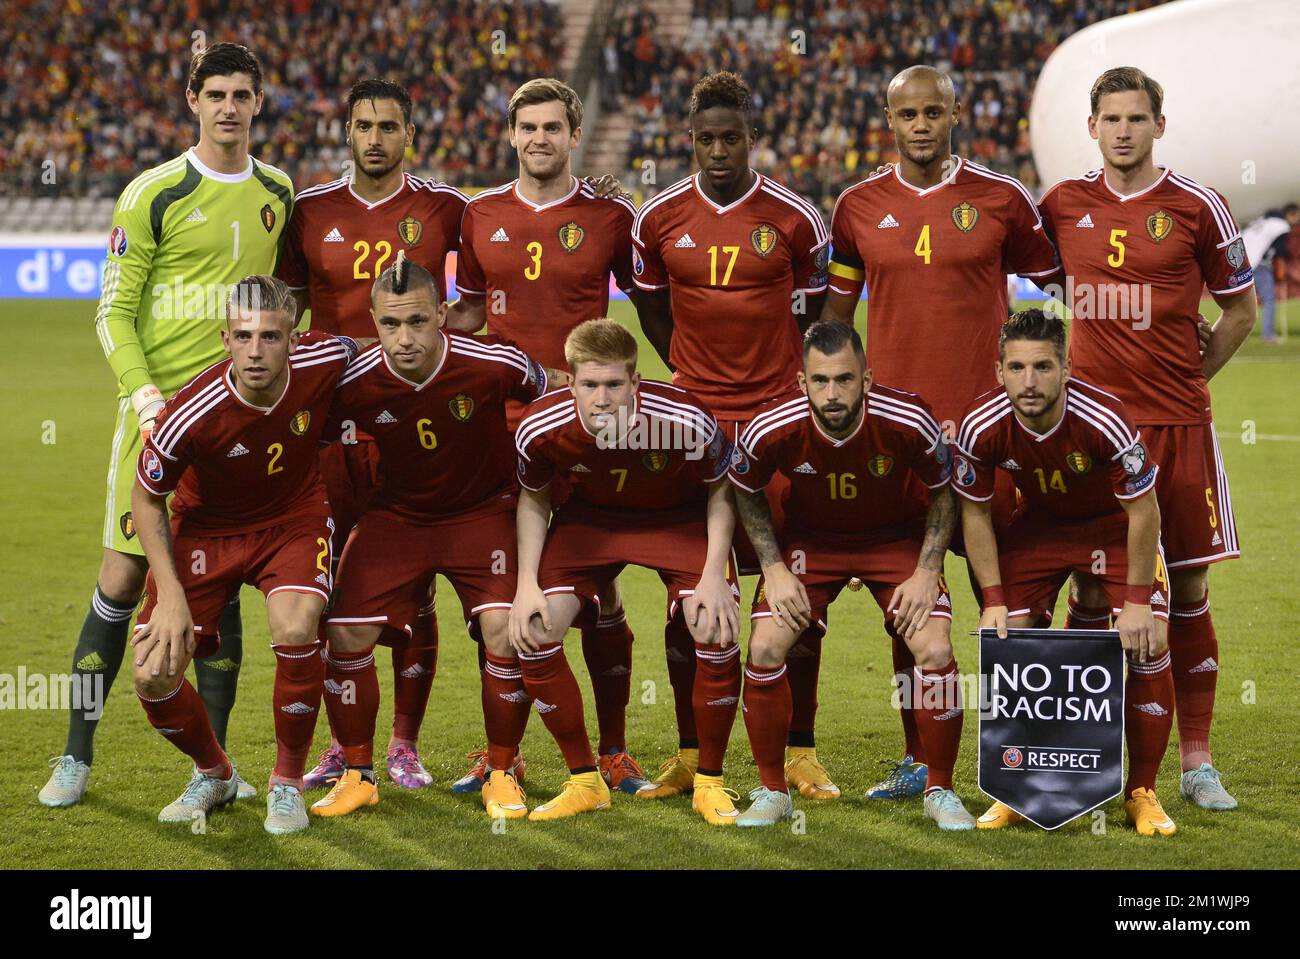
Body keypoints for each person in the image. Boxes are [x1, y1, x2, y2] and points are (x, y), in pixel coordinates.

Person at [42, 42, 294, 808]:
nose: (227, 106)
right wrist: (145, 395)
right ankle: (74, 756)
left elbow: (287, 302)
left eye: (240, 94)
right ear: (192, 99)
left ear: (259, 102)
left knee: (221, 589)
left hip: (234, 428)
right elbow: (112, 308)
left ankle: (210, 772)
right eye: (213, 92)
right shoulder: (150, 192)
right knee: (120, 580)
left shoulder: (279, 192)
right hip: (155, 422)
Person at [819, 65, 1059, 801]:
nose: (920, 124)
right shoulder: (858, 207)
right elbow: (832, 323)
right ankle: (919, 757)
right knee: (909, 605)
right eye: (906, 113)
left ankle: (1029, 757)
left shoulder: (1002, 199)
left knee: (1017, 597)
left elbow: (1053, 294)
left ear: (956, 112)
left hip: (991, 432)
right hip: (899, 438)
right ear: (888, 119)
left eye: (933, 112)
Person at [1038, 67, 1257, 811]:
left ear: (1159, 124)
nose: (1124, 130)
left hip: (1177, 432)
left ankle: (1195, 762)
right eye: (1111, 118)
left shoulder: (1198, 206)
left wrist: (1195, 379)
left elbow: (1239, 311)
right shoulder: (1062, 205)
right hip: (1093, 437)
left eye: (1137, 118)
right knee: (1094, 588)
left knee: (1188, 591)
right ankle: (1083, 760)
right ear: (1092, 126)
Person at [631, 71, 840, 801]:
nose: (718, 150)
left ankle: (803, 751)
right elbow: (653, 312)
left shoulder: (794, 218)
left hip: (781, 423)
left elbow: (816, 320)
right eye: (705, 138)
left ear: (753, 138)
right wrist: (688, 373)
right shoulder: (657, 218)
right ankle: (691, 754)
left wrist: (784, 385)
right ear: (690, 140)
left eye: (731, 137)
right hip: (696, 427)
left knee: (793, 598)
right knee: (689, 600)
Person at [448, 77, 652, 795]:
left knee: (601, 592)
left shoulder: (608, 215)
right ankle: (500, 748)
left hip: (586, 432)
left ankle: (616, 748)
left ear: (574, 134)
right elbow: (469, 315)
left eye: (553, 127)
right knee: (500, 598)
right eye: (527, 127)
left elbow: (654, 299)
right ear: (510, 135)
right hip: (499, 435)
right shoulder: (479, 216)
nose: (540, 138)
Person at [277, 77, 468, 791]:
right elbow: (291, 312)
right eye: (364, 125)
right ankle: (340, 743)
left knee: (414, 589)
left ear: (409, 132)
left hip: (414, 430)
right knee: (327, 588)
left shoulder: (447, 207)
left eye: (390, 125)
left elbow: (512, 242)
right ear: (348, 132)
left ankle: (404, 745)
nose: (376, 137)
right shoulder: (309, 212)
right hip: (330, 433)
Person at [311, 254, 549, 820]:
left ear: (443, 314)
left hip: (482, 514)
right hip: (397, 518)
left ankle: (500, 770)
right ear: (372, 320)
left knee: (504, 633)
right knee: (343, 636)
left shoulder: (494, 363)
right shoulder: (355, 381)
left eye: (418, 321)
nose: (404, 337)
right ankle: (358, 774)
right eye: (390, 324)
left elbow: (550, 398)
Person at [130, 275, 352, 833]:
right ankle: (216, 773)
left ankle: (286, 783)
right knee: (153, 674)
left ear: (294, 340)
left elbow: (390, 357)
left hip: (293, 519)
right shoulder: (190, 411)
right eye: (244, 336)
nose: (257, 351)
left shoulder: (327, 357)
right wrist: (171, 598)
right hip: (207, 531)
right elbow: (147, 498)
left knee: (297, 625)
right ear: (224, 338)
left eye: (271, 337)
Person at [730, 321, 970, 830]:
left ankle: (941, 790)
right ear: (802, 382)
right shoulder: (771, 425)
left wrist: (928, 570)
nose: (832, 393)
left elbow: (944, 489)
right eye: (820, 381)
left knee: (934, 648)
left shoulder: (909, 419)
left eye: (844, 379)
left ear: (867, 378)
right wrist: (773, 568)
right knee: (766, 646)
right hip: (810, 546)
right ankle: (773, 791)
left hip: (893, 540)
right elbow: (744, 486)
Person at [954, 309, 1177, 836]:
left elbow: (1145, 512)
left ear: (1067, 368)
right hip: (1042, 529)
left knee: (1150, 643)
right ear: (998, 370)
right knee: (1009, 640)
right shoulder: (980, 425)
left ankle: (1141, 791)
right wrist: (992, 599)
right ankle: (1015, 787)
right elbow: (975, 513)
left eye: (1043, 367)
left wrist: (1141, 601)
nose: (1028, 382)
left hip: (1112, 528)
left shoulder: (1106, 419)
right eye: (1016, 367)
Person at [511, 319, 740, 822]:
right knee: (535, 628)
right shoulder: (541, 425)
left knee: (714, 626)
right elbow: (534, 498)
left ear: (636, 383)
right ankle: (585, 780)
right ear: (570, 382)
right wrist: (526, 584)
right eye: (589, 385)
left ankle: (709, 780)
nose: (602, 398)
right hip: (589, 523)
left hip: (675, 520)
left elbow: (723, 487)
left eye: (615, 384)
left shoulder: (683, 419)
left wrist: (714, 575)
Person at [1241, 204, 1298, 344]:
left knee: (1241, 301)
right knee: (1269, 299)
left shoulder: (1262, 220)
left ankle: (1238, 335)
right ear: (1290, 214)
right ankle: (1268, 335)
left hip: (1241, 261)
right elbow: (1279, 251)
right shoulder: (1282, 225)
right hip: (1259, 264)